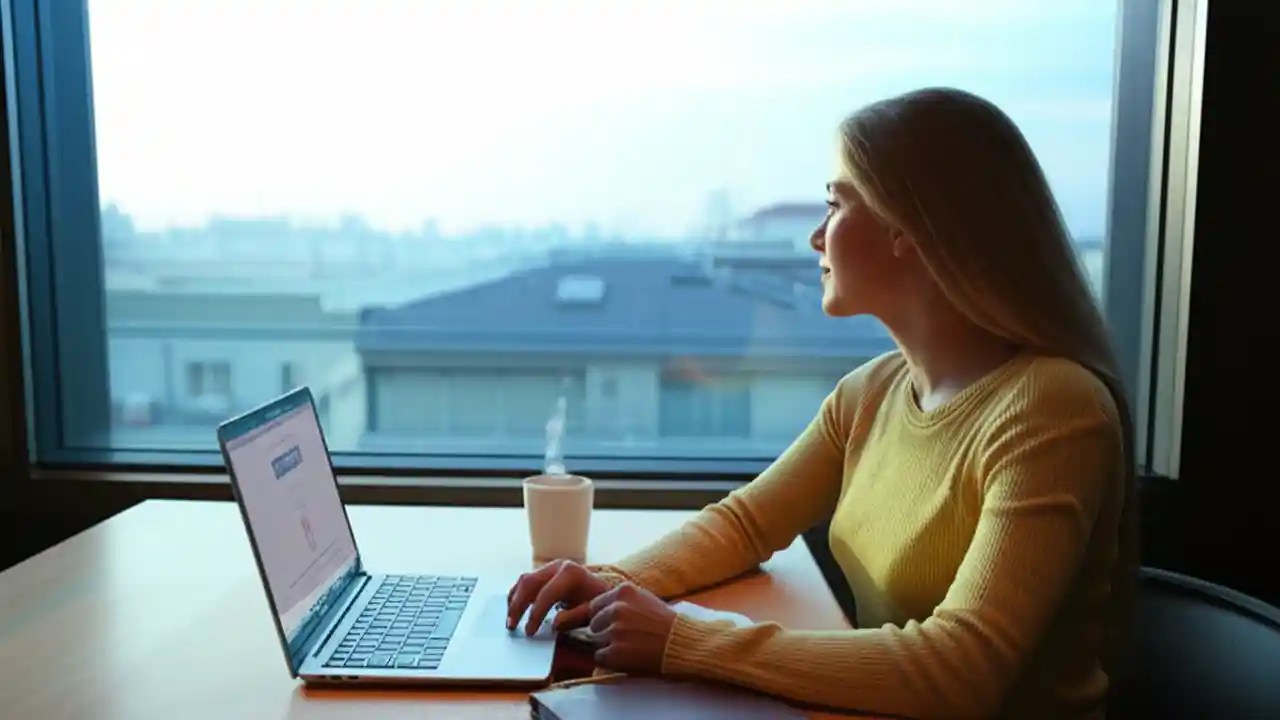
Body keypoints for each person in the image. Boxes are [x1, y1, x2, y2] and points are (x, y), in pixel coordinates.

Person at [506, 87, 1137, 719]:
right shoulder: (871, 392)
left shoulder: (1053, 409)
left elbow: (960, 670)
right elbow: (745, 525)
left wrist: (682, 641)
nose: (816, 237)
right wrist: (613, 584)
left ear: (904, 229)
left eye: (835, 204)